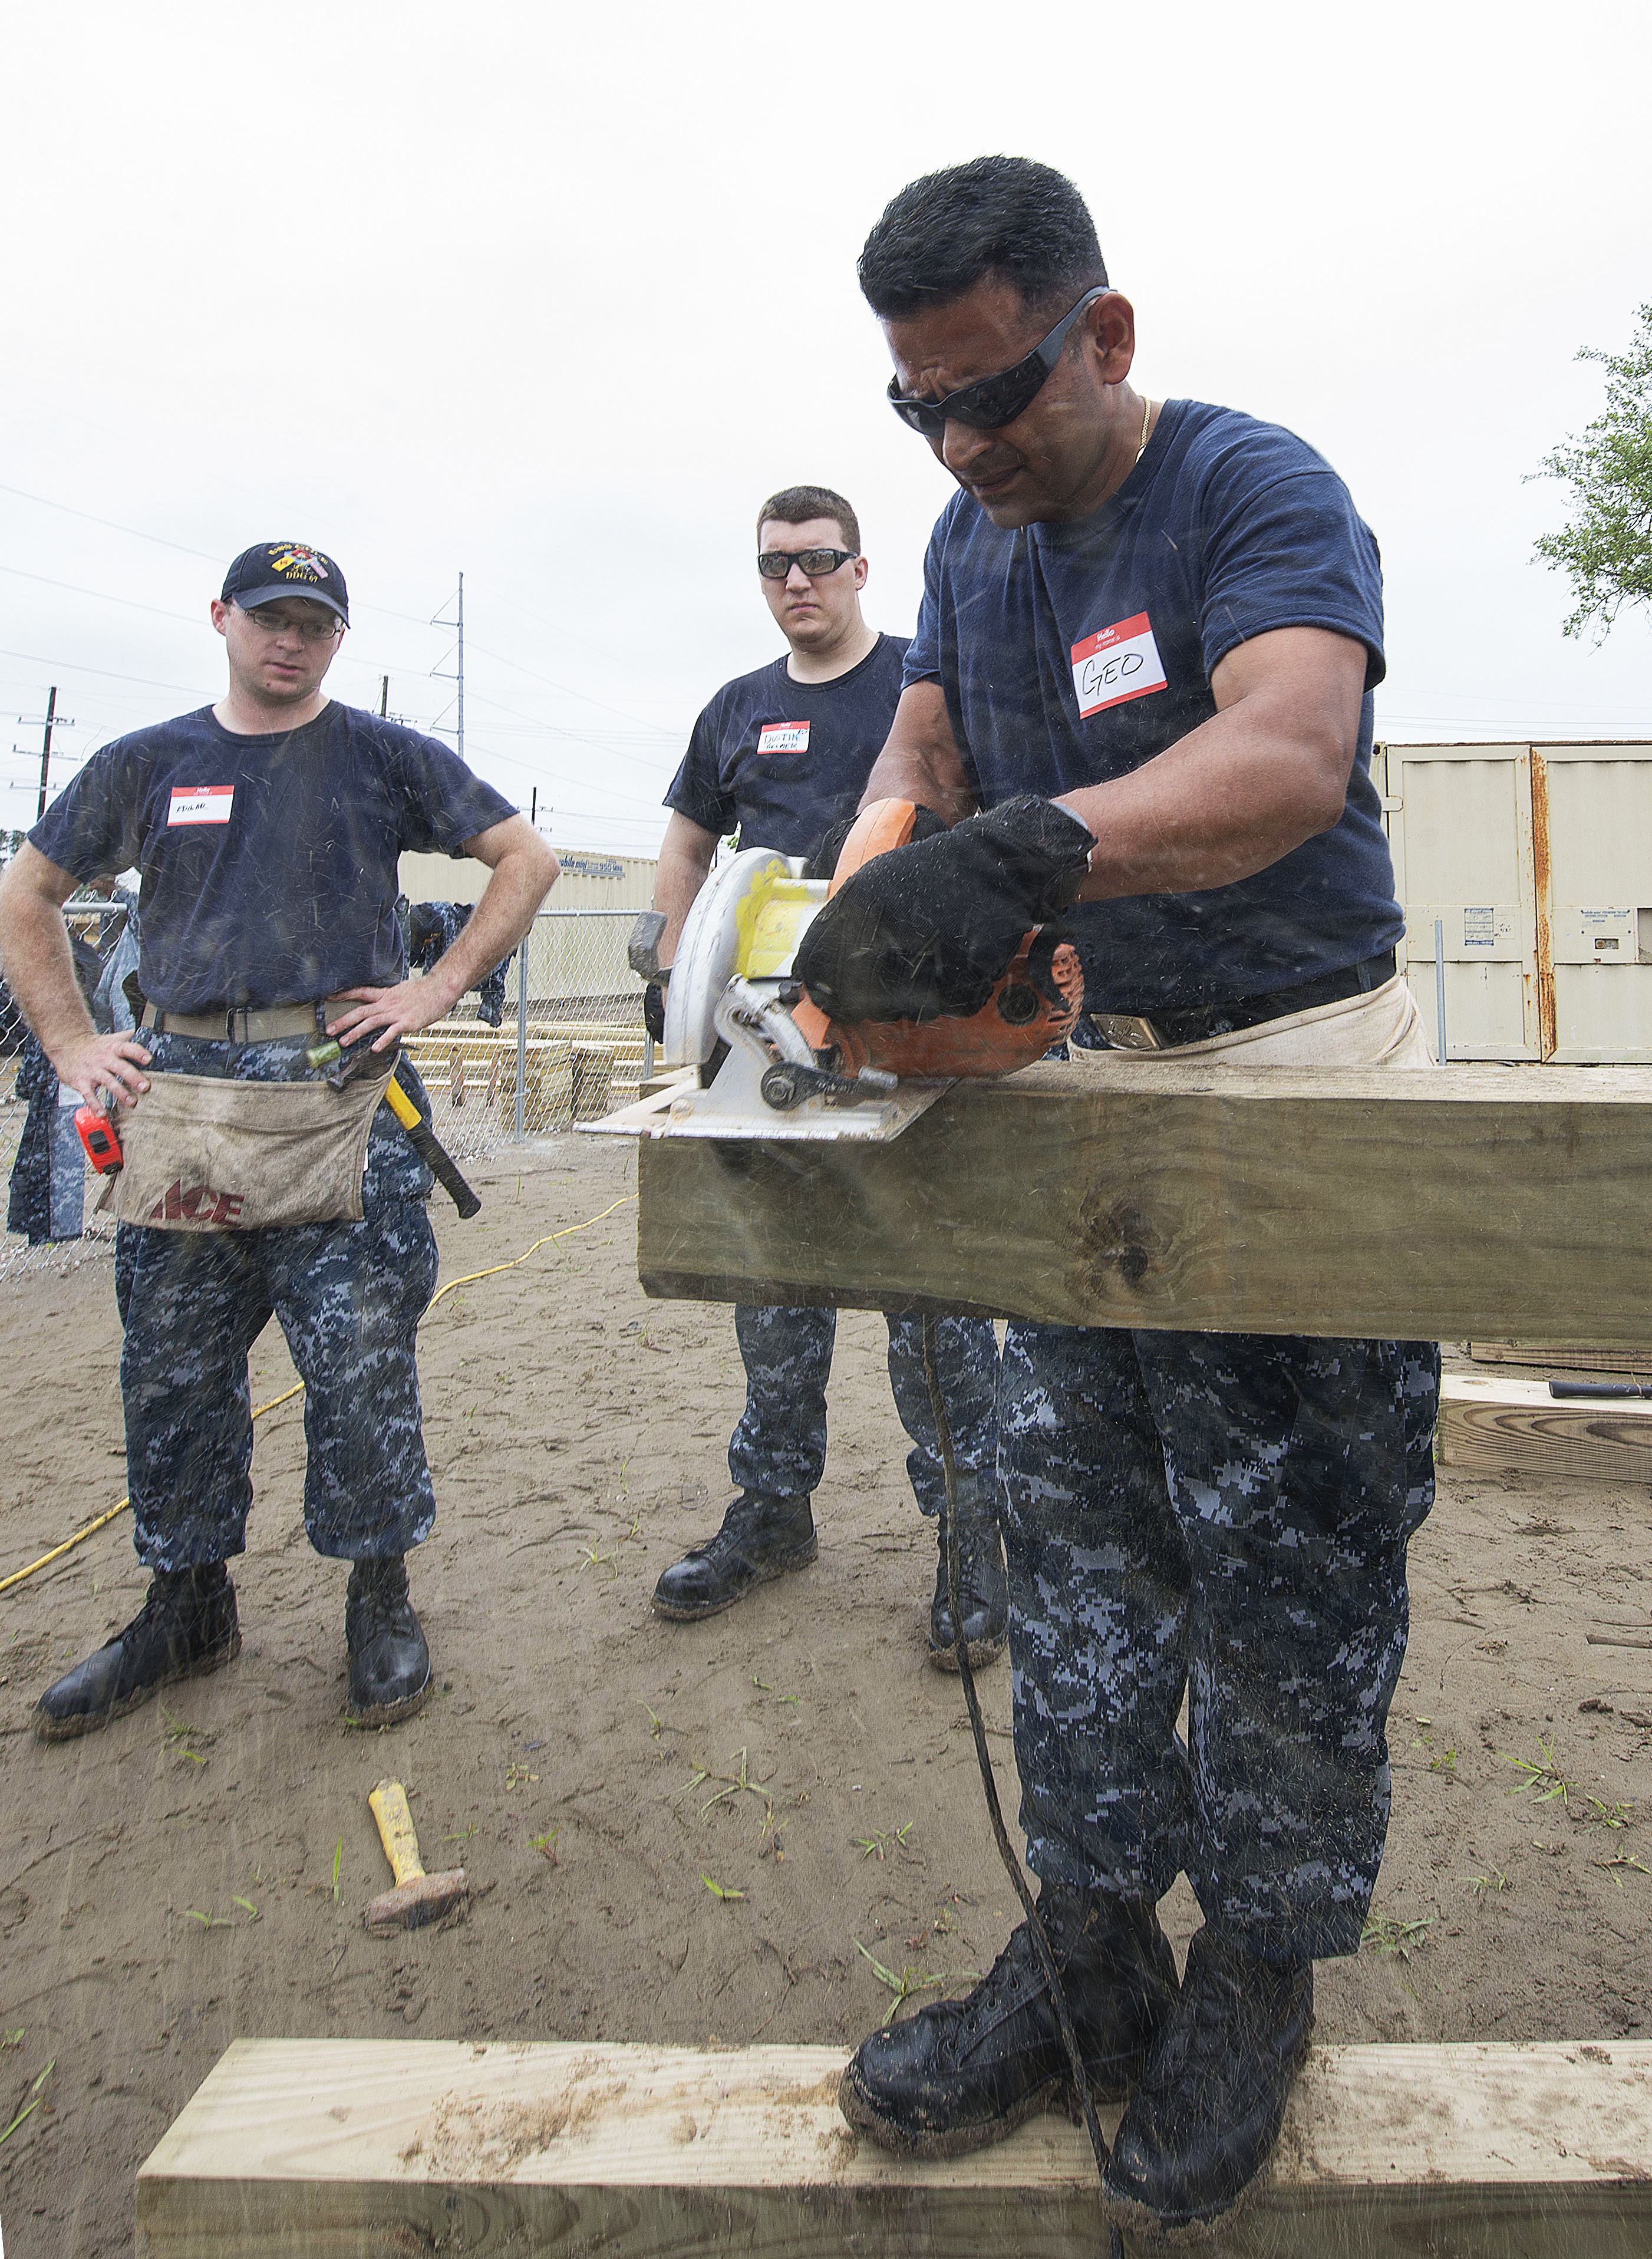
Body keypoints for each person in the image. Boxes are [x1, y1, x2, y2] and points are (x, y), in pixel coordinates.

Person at [798, 161, 1440, 2235]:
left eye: (993, 396)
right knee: (1071, 1546)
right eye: (920, 410)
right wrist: (883, 855)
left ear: (1107, 334)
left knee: (1292, 1570)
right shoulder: (974, 546)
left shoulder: (1250, 490)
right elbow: (923, 734)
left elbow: (1284, 757)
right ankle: (1088, 1945)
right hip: (1082, 1113)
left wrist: (1035, 853)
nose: (964, 446)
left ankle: (1256, 1972)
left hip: (1293, 1097)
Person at [0, 540, 558, 1741]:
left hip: (333, 1094)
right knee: (175, 1378)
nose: (288, 640)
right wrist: (68, 1048)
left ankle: (378, 1601)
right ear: (223, 619)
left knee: (359, 1372)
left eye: (312, 622)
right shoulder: (148, 763)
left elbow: (526, 858)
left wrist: (434, 988)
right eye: (268, 618)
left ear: (338, 638)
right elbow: (27, 893)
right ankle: (186, 1605)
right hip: (183, 1101)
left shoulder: (380, 756)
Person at [649, 484, 1008, 1666]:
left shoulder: (922, 680)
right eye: (774, 566)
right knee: (775, 1298)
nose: (795, 581)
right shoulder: (735, 710)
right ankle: (771, 1514)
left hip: (905, 1043)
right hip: (763, 1057)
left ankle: (969, 1538)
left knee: (934, 1311)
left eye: (817, 560)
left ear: (861, 568)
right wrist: (673, 972)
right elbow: (689, 848)